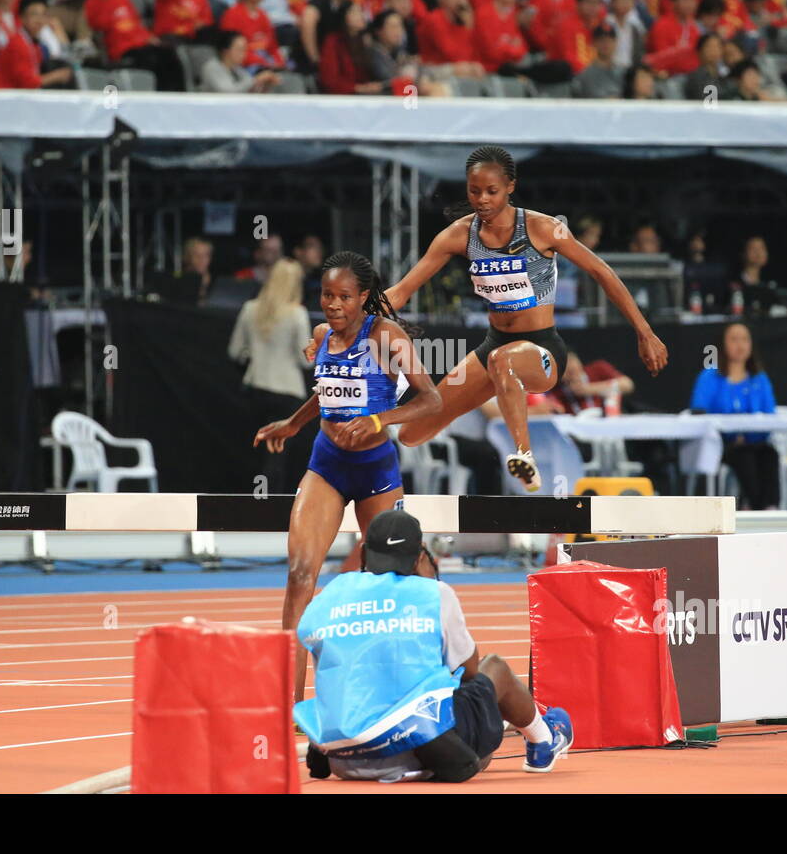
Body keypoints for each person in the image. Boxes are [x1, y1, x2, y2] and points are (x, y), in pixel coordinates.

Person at [311, 145, 667, 492]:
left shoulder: (544, 229)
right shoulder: (459, 235)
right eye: (474, 191)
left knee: (505, 361)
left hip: (542, 349)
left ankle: (523, 457)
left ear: (510, 187)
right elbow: (403, 291)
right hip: (492, 347)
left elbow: (601, 271)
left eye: (492, 191)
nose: (482, 200)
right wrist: (348, 324)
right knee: (412, 432)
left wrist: (644, 331)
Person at [254, 252, 443, 702]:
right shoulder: (321, 336)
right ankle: (292, 702)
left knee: (402, 578)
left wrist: (380, 420)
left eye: (343, 296)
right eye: (326, 295)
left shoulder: (386, 337)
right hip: (327, 465)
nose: (333, 305)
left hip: (376, 471)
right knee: (301, 574)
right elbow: (328, 393)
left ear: (363, 298)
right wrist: (295, 423)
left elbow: (431, 400)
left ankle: (438, 669)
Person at [297, 507, 574, 782]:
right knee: (495, 668)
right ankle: (545, 738)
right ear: (420, 556)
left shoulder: (332, 593)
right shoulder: (433, 593)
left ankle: (498, 728)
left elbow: (319, 648)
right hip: (424, 753)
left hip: (344, 760)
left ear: (365, 553)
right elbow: (468, 670)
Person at [229, 258, 313, 495]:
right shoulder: (297, 314)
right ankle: (273, 506)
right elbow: (305, 359)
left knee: (256, 450)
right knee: (278, 453)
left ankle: (253, 503)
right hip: (287, 391)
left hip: (256, 388)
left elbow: (235, 351)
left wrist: (254, 353)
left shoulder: (249, 309)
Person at [690, 322, 780, 511]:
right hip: (724, 446)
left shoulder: (759, 378)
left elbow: (770, 416)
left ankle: (771, 508)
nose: (740, 345)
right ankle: (755, 508)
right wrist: (732, 435)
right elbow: (699, 411)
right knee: (744, 456)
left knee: (770, 455)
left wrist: (749, 436)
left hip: (755, 443)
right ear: (723, 344)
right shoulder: (710, 377)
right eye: (734, 339)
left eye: (745, 339)